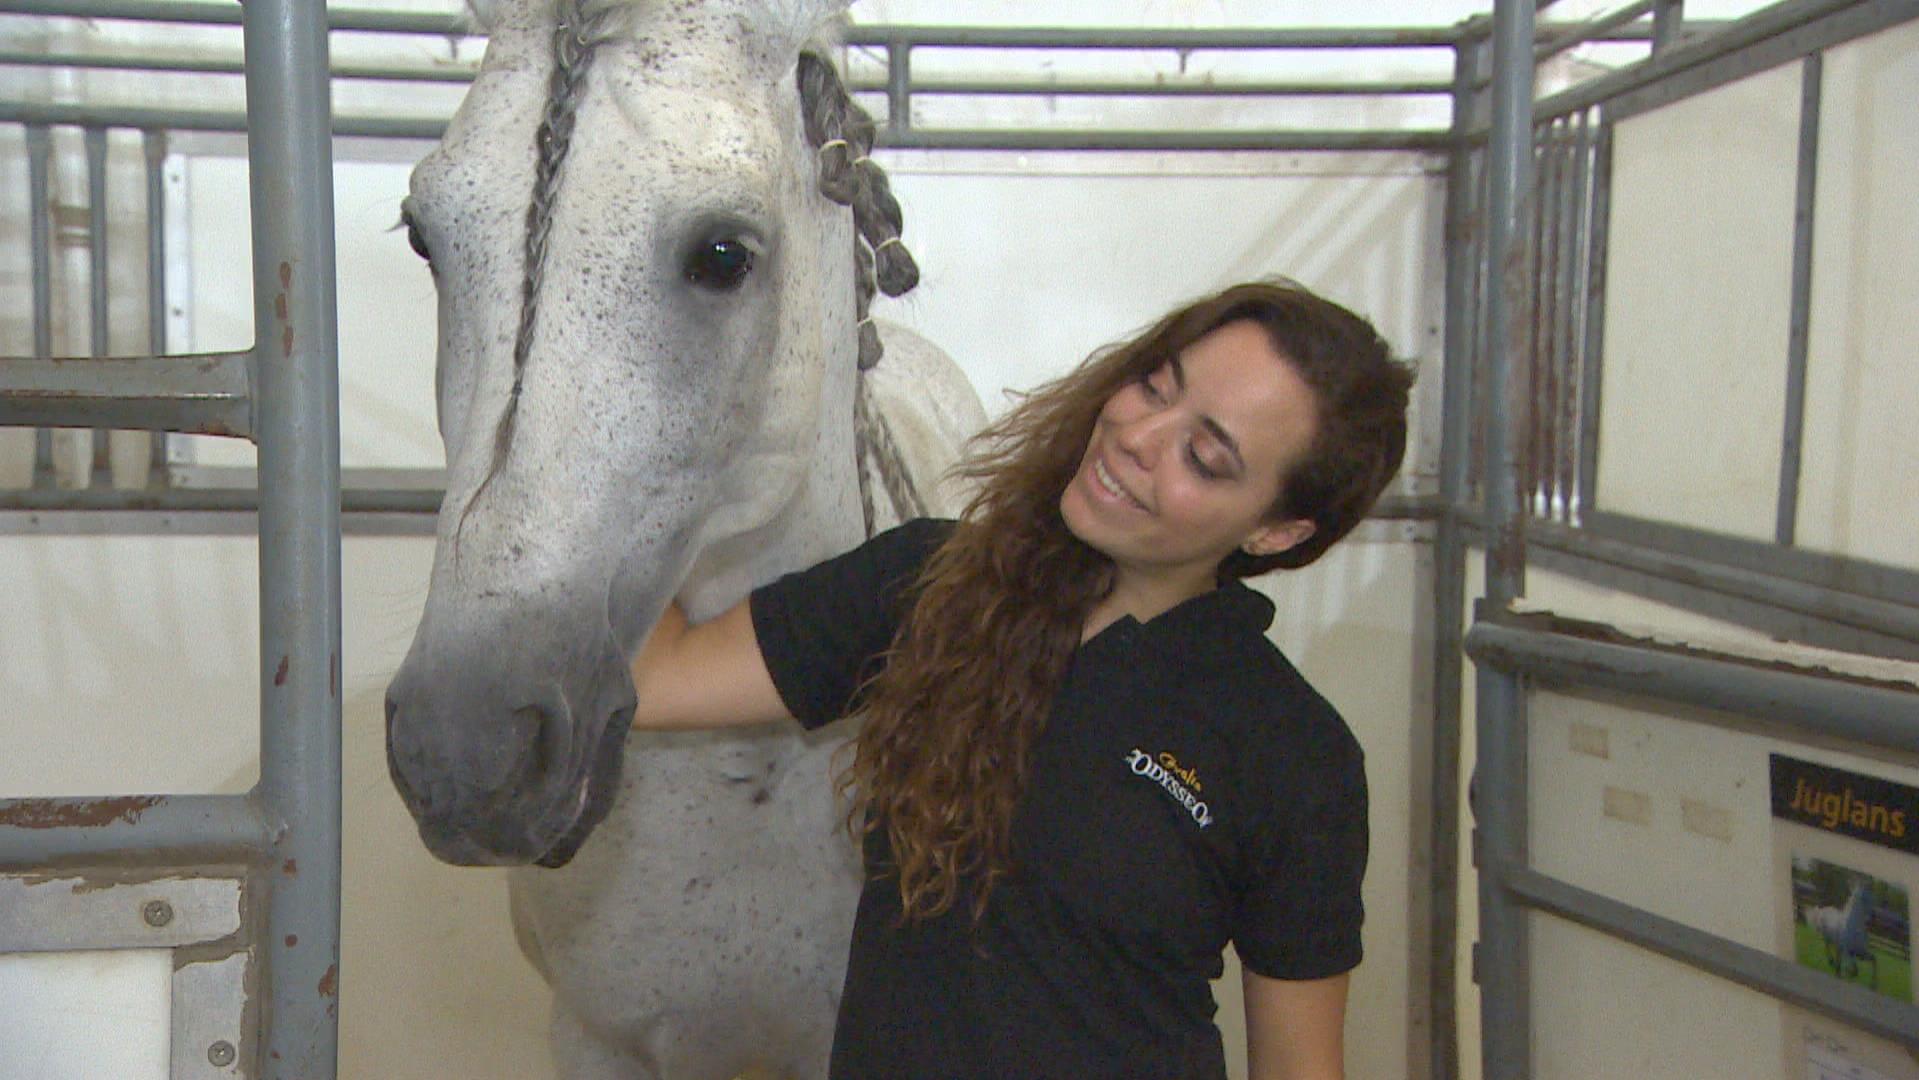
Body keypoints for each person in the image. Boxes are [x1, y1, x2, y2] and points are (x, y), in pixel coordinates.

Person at [631, 279, 1413, 1080]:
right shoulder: (930, 583)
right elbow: (654, 681)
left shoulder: (1289, 748)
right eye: (1154, 385)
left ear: (1275, 530)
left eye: (1204, 457)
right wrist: (653, 437)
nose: (1137, 434)